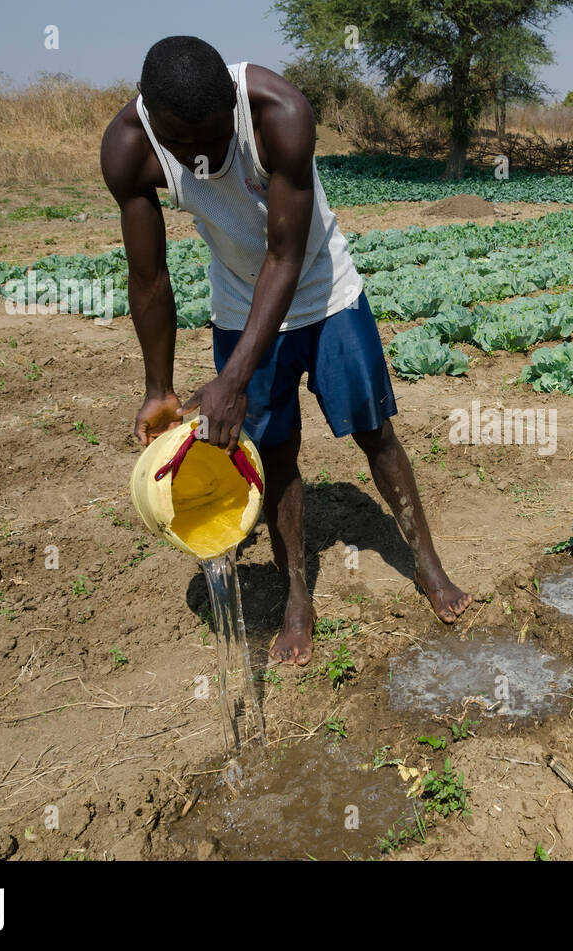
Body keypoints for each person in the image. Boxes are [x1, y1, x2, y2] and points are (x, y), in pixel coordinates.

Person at [100, 35, 471, 666]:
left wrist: (234, 377)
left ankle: (428, 564)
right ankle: (297, 594)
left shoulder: (281, 112)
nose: (205, 157)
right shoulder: (129, 147)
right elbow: (149, 275)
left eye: (217, 140)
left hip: (325, 294)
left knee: (375, 433)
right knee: (273, 452)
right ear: (156, 123)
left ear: (232, 108)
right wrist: (159, 387)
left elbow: (286, 256)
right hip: (238, 306)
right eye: (187, 146)